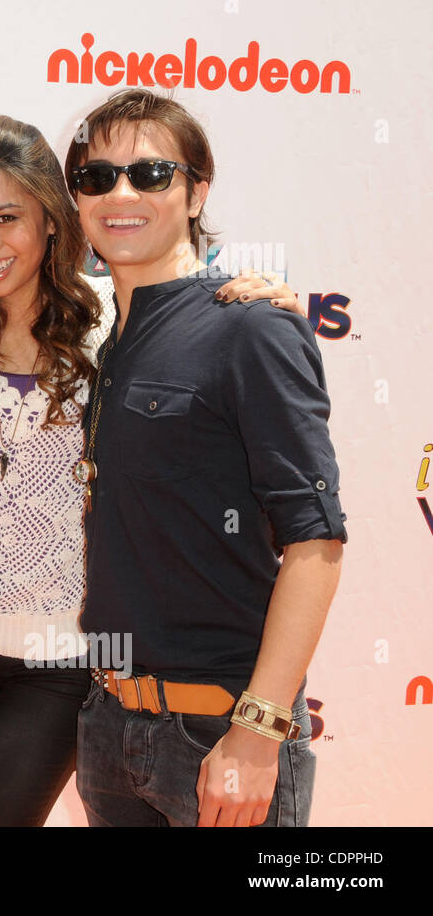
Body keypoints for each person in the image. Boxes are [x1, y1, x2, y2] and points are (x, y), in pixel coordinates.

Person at [0, 114, 304, 827]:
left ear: (50, 220)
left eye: (8, 217)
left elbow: (199, 332)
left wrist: (262, 301)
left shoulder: (112, 323)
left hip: (67, 658)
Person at [69, 89, 345, 826]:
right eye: (97, 178)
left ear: (197, 190)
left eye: (150, 173)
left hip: (220, 736)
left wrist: (257, 731)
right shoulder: (102, 335)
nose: (121, 193)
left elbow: (316, 541)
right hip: (109, 729)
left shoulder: (251, 326)